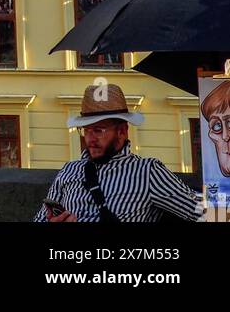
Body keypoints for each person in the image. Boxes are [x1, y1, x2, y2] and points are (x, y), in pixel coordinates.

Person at [35, 81, 202, 223]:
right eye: (86, 130)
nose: (90, 139)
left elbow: (204, 213)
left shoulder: (147, 171)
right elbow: (40, 219)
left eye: (98, 130)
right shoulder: (69, 170)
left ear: (122, 131)